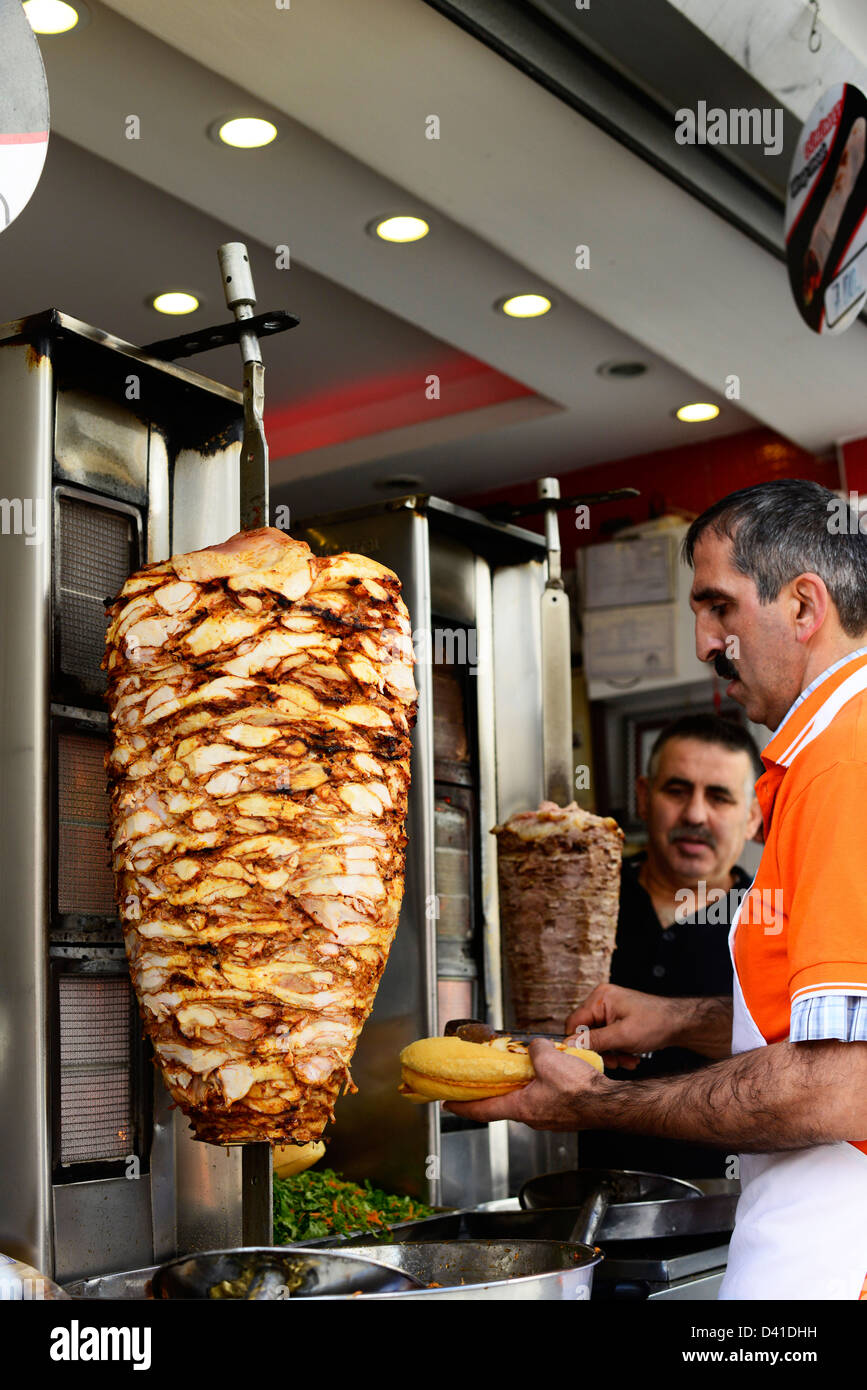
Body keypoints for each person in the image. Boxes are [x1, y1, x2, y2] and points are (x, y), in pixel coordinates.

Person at [449, 479, 867, 1301]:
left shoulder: (841, 765)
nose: (706, 642)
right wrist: (675, 1018)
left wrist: (592, 1103)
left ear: (803, 606)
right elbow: (827, 1027)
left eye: (719, 608)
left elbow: (837, 1087)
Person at [580, 714, 762, 1178]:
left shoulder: (774, 922)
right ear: (644, 797)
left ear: (753, 817)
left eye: (719, 797)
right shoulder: (580, 896)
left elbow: (794, 1050)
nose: (695, 815)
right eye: (677, 791)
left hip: (723, 1213)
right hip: (571, 1200)